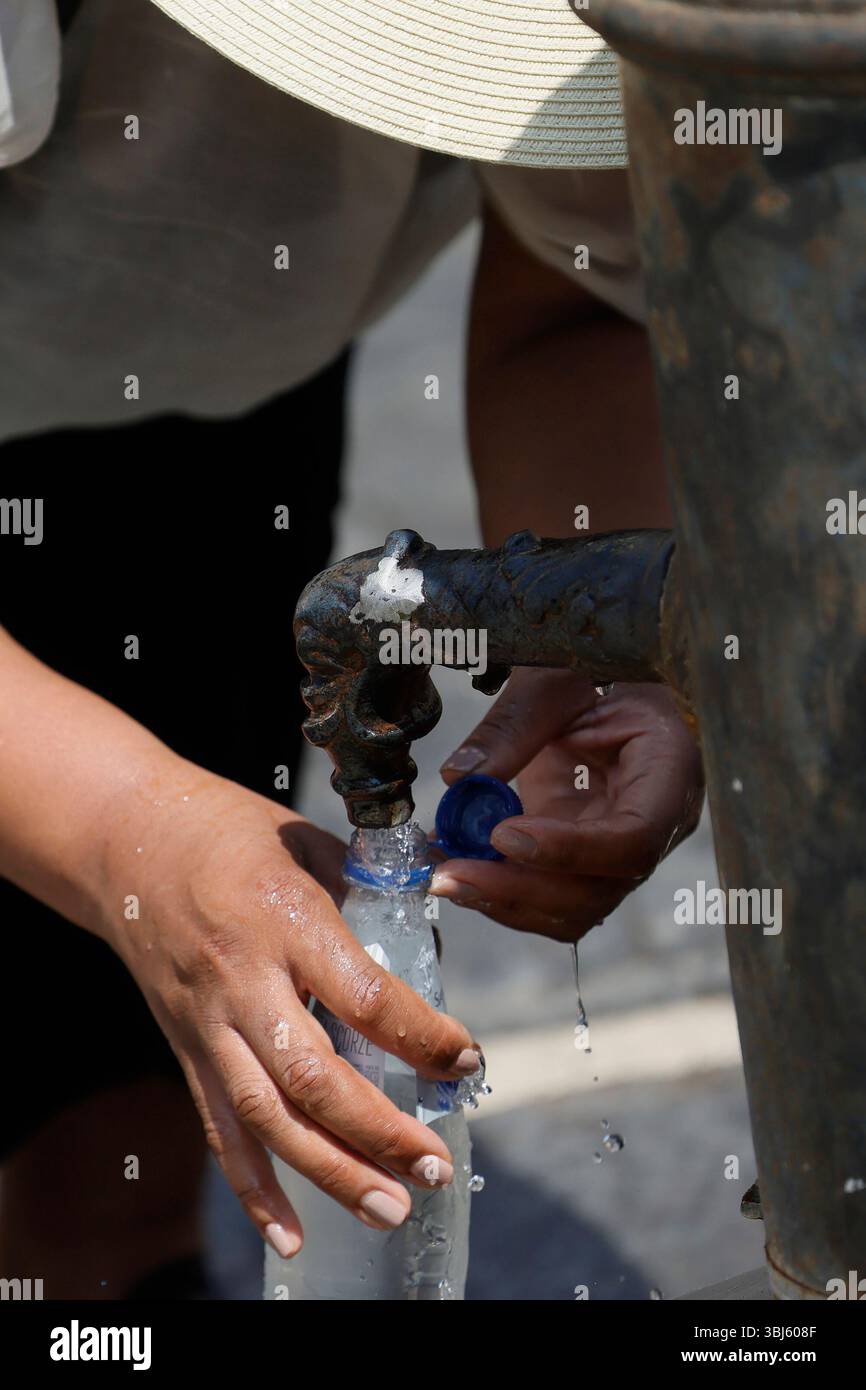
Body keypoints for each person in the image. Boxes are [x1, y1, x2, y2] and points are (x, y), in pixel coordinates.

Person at [0, 0, 703, 1298]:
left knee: (129, 1118)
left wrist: (604, 628)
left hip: (201, 374)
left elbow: (580, 301)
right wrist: (121, 826)